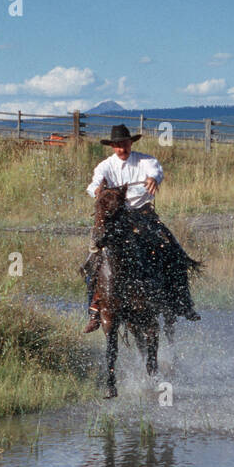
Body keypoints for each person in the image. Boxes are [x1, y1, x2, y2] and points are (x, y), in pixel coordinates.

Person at [83, 124, 199, 332]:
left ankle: (183, 301)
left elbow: (156, 172)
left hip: (143, 215)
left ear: (131, 143)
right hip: (115, 219)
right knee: (91, 260)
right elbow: (93, 185)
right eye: (117, 145)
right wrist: (98, 190)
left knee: (173, 250)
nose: (121, 148)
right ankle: (94, 308)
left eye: (124, 144)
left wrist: (153, 179)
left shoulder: (146, 160)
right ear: (112, 147)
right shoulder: (105, 166)